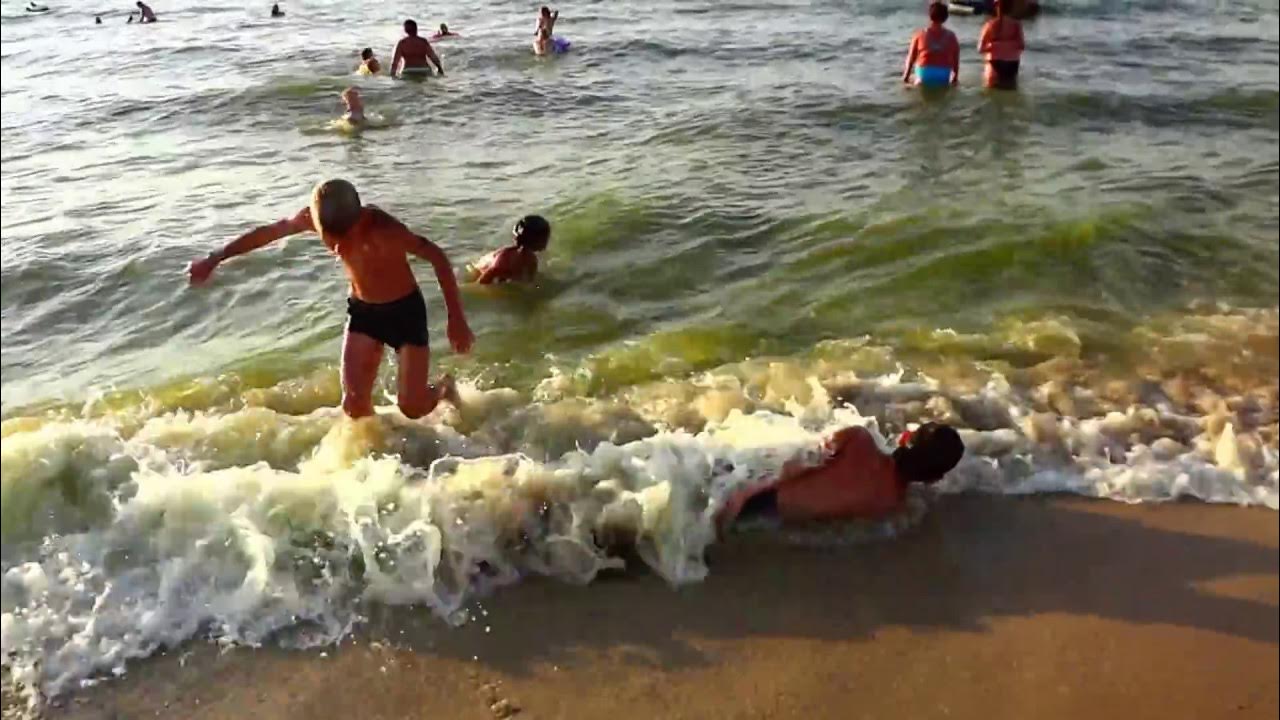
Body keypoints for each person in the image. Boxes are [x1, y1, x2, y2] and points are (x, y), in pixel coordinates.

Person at [186, 180, 475, 420]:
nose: (337, 248)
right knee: (354, 405)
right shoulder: (317, 216)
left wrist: (457, 318)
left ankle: (444, 388)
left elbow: (437, 257)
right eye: (329, 239)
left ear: (359, 219)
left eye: (343, 238)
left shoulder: (386, 230)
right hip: (363, 313)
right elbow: (269, 233)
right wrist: (215, 258)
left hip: (404, 313)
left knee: (412, 408)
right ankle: (380, 451)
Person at [718, 423, 965, 531]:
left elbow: (801, 462)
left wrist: (749, 490)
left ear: (904, 437)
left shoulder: (859, 439)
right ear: (934, 479)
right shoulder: (891, 505)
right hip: (769, 517)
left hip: (756, 490)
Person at [473, 215, 551, 284]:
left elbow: (529, 281)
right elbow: (481, 283)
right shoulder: (505, 258)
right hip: (481, 270)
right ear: (536, 240)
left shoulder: (532, 259)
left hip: (497, 270)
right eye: (545, 238)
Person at [902, 2, 960, 88]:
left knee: (915, 80)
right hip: (943, 75)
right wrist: (955, 78)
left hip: (924, 74)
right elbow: (956, 59)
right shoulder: (951, 36)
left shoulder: (919, 34)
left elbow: (911, 58)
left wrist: (906, 77)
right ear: (945, 18)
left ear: (929, 16)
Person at [978, 0, 1025, 90]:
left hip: (993, 61)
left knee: (990, 94)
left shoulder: (989, 25)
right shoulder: (1016, 25)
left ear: (996, 7)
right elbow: (1022, 45)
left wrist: (994, 45)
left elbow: (980, 49)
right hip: (1012, 63)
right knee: (1010, 93)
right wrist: (1008, 45)